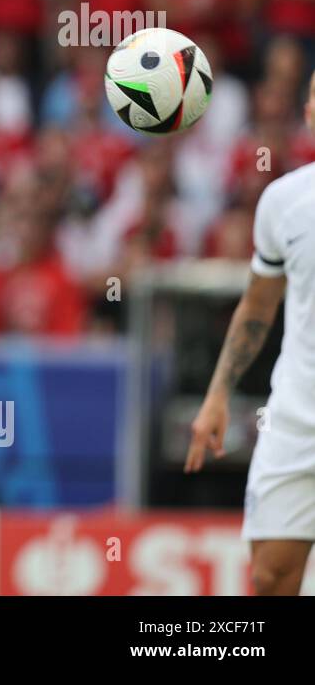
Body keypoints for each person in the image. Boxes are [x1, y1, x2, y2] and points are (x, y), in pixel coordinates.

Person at [186, 70, 315, 596]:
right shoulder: (284, 202)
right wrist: (217, 394)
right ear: (309, 113)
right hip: (296, 421)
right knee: (269, 579)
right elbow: (258, 304)